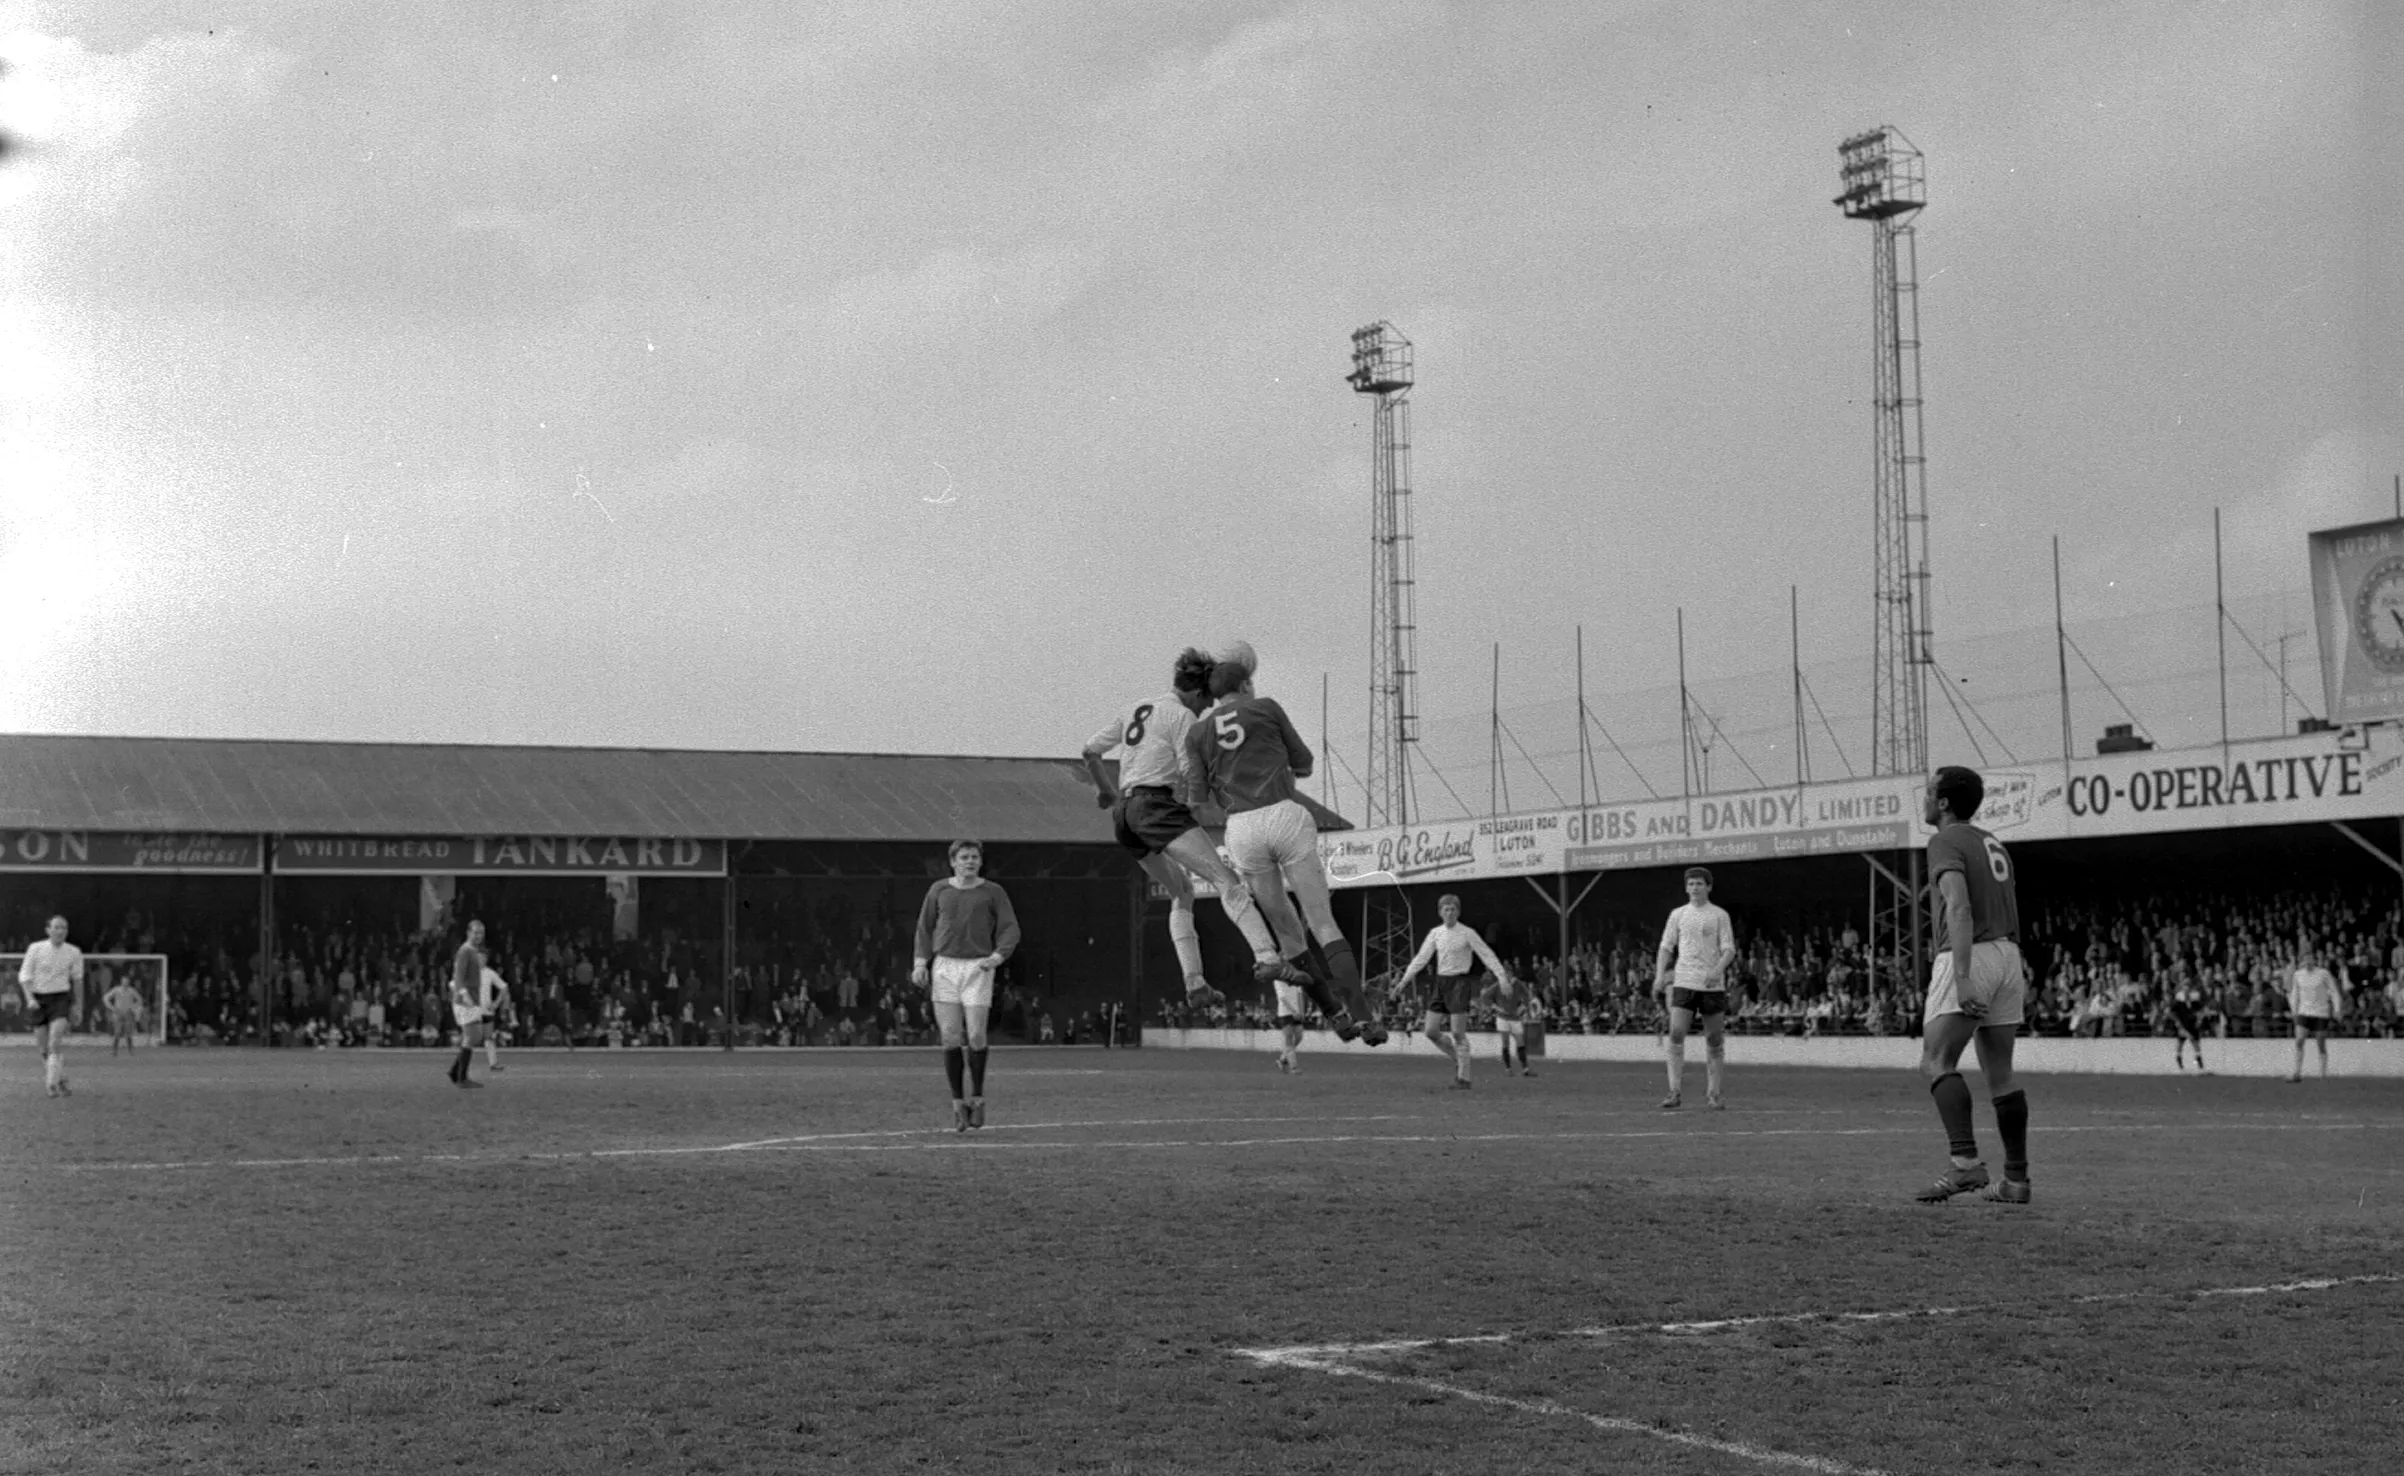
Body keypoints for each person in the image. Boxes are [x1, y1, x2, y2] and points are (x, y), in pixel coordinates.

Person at [1080, 647, 1314, 1008]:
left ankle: (1195, 983)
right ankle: (1267, 956)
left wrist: (1105, 792)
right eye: (1206, 702)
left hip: (1124, 814)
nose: (1206, 709)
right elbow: (1194, 777)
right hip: (1156, 807)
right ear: (1197, 692)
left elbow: (1090, 751)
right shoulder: (1183, 718)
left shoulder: (1136, 709)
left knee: (1182, 892)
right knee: (1226, 881)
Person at [1181, 649, 1387, 1046]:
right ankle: (1364, 1018)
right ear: (1246, 686)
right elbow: (1305, 763)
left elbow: (1199, 797)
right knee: (1322, 922)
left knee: (1287, 933)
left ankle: (1335, 1016)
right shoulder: (1266, 707)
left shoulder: (1197, 734)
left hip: (1240, 828)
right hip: (1282, 814)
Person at [1913, 766, 2034, 1206]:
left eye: (1929, 792)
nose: (1924, 799)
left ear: (1944, 803)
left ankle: (1964, 1164)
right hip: (2007, 954)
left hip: (1972, 954)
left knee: (1935, 1060)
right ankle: (2016, 1181)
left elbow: (1959, 908)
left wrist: (1962, 978)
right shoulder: (1991, 841)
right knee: (2000, 1074)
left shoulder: (1945, 841)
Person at [912, 839, 1020, 1131]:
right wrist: (921, 962)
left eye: (974, 857)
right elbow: (924, 927)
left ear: (980, 861)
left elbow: (1010, 928)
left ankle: (978, 1097)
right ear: (953, 862)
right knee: (950, 1036)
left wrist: (997, 956)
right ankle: (958, 1103)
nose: (970, 861)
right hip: (945, 966)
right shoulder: (939, 890)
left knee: (975, 1034)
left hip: (978, 967)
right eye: (964, 857)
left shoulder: (992, 891)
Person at [1396, 894, 1513, 1088]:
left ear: (1458, 912)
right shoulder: (1435, 933)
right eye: (1446, 909)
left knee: (1458, 1032)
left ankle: (1464, 1078)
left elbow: (1487, 955)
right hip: (1441, 983)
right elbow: (1421, 958)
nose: (1449, 912)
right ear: (1440, 912)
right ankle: (1458, 1058)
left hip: (1459, 982)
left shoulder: (1468, 933)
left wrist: (1502, 978)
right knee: (1431, 1031)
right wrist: (1404, 980)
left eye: (1452, 909)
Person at [1654, 867, 1736, 1109]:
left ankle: (1713, 1094)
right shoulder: (1678, 915)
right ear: (1686, 887)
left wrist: (1717, 970)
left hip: (1712, 985)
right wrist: (1660, 975)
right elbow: (1666, 947)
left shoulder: (1719, 915)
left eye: (1699, 883)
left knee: (1714, 1038)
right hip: (1684, 981)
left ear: (1709, 887)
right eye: (1691, 884)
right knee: (1676, 1033)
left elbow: (1729, 949)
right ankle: (1674, 1091)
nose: (1695, 888)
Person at [18, 914, 83, 1097]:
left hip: (60, 999)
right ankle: (60, 1078)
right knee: (44, 1048)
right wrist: (30, 998)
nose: (60, 931)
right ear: (48, 930)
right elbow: (24, 977)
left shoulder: (74, 952)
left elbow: (78, 981)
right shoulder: (35, 949)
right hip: (38, 1000)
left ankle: (51, 1085)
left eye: (64, 928)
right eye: (56, 927)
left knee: (55, 1041)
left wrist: (78, 1006)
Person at [2286, 946, 2344, 1082]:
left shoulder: (2323, 974)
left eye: (2310, 958)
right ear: (2302, 960)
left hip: (2321, 1012)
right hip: (2303, 1011)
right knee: (2299, 1040)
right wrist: (2294, 1010)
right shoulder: (2298, 975)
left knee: (2321, 1043)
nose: (2308, 961)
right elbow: (2294, 993)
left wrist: (2337, 1009)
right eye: (2305, 959)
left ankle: (2323, 1074)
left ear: (2315, 960)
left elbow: (2334, 992)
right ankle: (2297, 1073)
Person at [448, 919, 488, 1088]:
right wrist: (464, 994)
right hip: (466, 1000)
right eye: (476, 932)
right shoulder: (465, 951)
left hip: (472, 998)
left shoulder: (471, 951)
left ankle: (455, 1072)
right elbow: (458, 975)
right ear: (468, 932)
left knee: (473, 1036)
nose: (479, 936)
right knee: (472, 1036)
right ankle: (461, 1077)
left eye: (481, 933)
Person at [2167, 977, 2211, 1073]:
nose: (2187, 989)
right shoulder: (2178, 1001)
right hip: (2183, 1026)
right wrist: (2177, 1022)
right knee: (2181, 1043)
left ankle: (2199, 1062)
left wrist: (2199, 1020)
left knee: (2195, 1044)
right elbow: (2170, 1012)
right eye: (2185, 986)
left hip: (2192, 1025)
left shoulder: (2194, 1001)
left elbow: (2201, 1011)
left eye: (2188, 986)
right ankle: (2179, 1062)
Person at [102, 971, 146, 1056]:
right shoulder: (116, 989)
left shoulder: (131, 991)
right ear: (121, 982)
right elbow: (106, 998)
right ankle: (114, 1051)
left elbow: (140, 1000)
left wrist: (132, 1007)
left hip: (128, 1013)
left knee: (128, 1033)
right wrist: (112, 1007)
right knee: (117, 1033)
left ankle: (131, 1051)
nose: (125, 983)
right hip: (118, 1013)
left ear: (128, 982)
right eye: (124, 981)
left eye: (126, 981)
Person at [480, 964, 511, 1073]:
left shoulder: (489, 973)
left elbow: (504, 987)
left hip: (487, 1011)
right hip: (472, 1011)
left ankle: (493, 1064)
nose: (480, 960)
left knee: (489, 1037)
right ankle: (461, 1066)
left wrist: (496, 1003)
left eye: (482, 957)